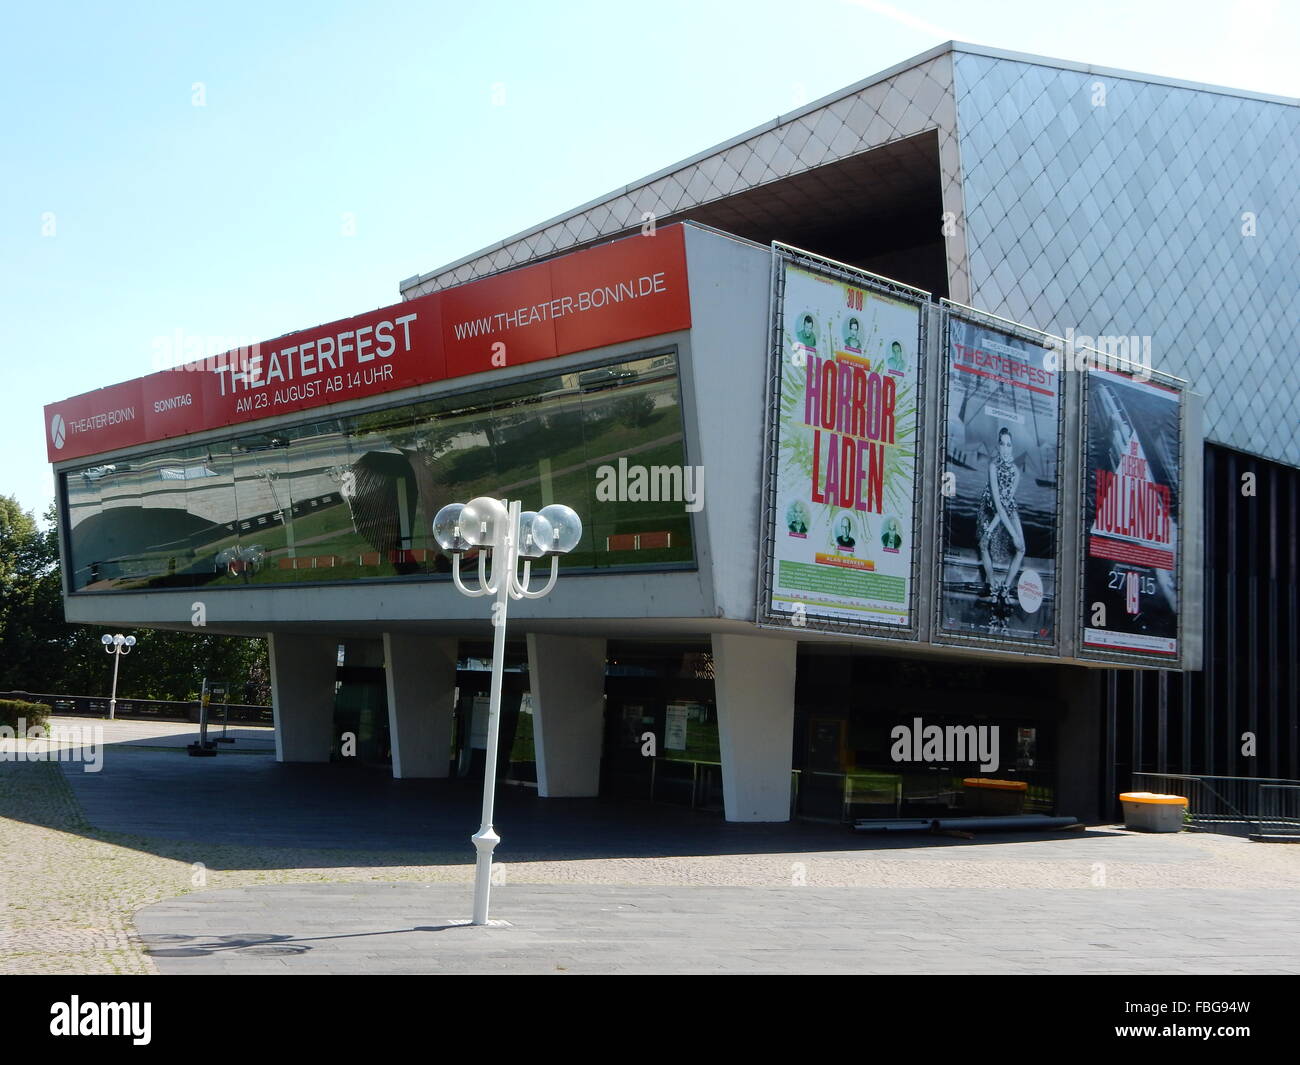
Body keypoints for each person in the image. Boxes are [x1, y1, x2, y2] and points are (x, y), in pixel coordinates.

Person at [976, 427, 1025, 602]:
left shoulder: (1016, 473)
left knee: (1021, 547)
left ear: (1012, 447)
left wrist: (1013, 536)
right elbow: (997, 503)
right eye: (1002, 444)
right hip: (989, 506)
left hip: (1007, 508)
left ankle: (1005, 588)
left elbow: (1005, 504)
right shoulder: (992, 466)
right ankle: (991, 585)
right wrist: (988, 531)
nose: (1005, 448)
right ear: (998, 446)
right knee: (983, 544)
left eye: (1009, 445)